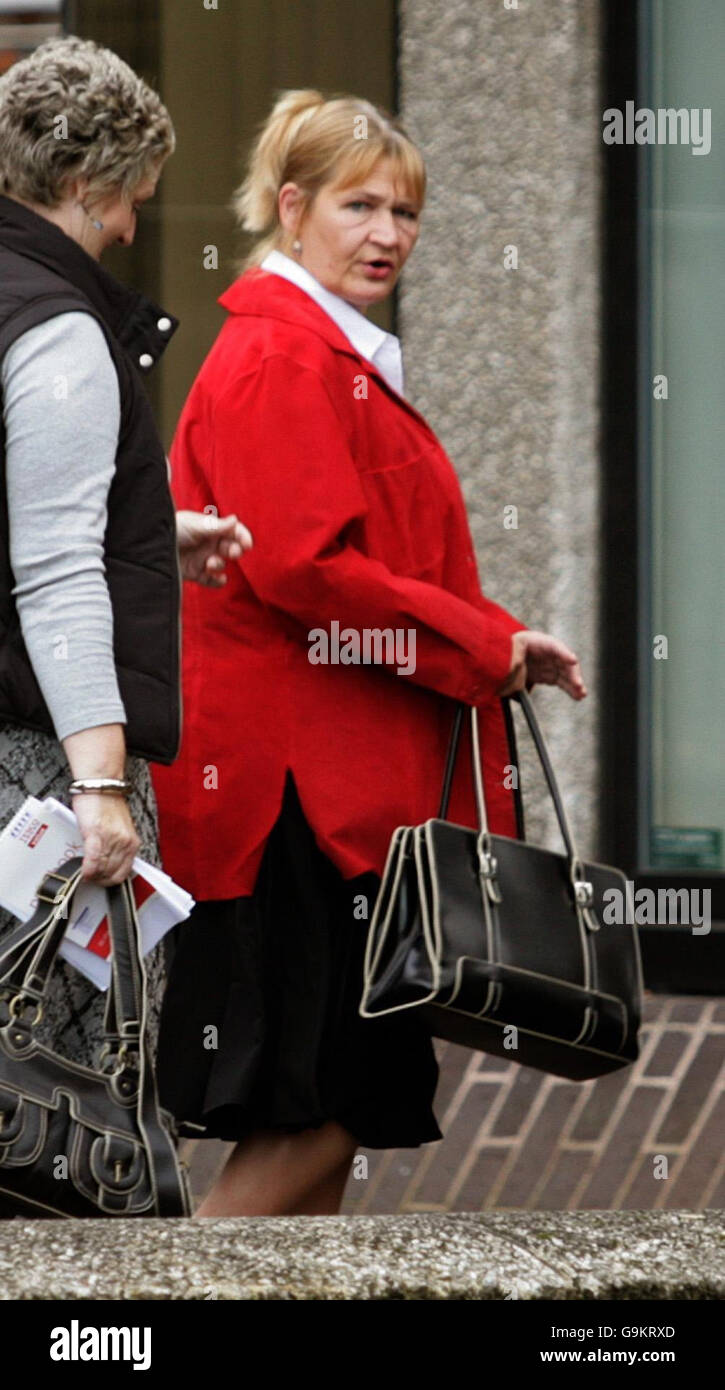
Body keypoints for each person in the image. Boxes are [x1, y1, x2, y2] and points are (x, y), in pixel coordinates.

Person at [151, 89, 587, 1218]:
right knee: (329, 1101)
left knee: (335, 1109)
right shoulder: (281, 358)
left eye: (405, 211)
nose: (388, 233)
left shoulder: (324, 354)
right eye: (359, 205)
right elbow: (305, 569)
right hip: (300, 805)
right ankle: (141, 1314)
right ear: (290, 209)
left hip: (329, 800)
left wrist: (491, 642)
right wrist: (483, 642)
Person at [0, 36, 250, 1074]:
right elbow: (54, 566)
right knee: (51, 1091)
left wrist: (146, 534)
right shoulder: (59, 325)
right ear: (75, 181)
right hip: (31, 762)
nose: (132, 225)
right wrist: (100, 785)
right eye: (124, 200)